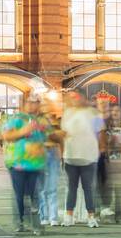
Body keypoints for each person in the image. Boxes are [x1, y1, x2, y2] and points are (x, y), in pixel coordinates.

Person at [0, 95, 49, 234]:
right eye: (31, 102)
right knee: (19, 195)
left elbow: (48, 137)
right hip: (18, 163)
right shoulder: (17, 118)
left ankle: (35, 224)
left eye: (37, 102)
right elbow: (6, 135)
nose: (34, 105)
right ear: (25, 104)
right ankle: (19, 222)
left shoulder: (41, 120)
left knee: (35, 195)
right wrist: (23, 131)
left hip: (36, 163)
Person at [60, 91, 102, 227]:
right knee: (71, 187)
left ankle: (91, 216)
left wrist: (100, 150)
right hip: (71, 155)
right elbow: (63, 133)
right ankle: (69, 216)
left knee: (88, 188)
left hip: (88, 156)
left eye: (76, 97)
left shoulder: (94, 113)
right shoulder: (67, 113)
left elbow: (100, 132)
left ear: (84, 97)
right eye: (72, 98)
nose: (74, 100)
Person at [38, 99, 63, 226]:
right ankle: (44, 216)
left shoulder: (56, 120)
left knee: (52, 187)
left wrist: (61, 155)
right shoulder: (37, 120)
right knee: (42, 188)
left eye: (47, 104)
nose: (45, 107)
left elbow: (60, 138)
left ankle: (53, 217)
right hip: (41, 152)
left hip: (53, 152)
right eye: (43, 105)